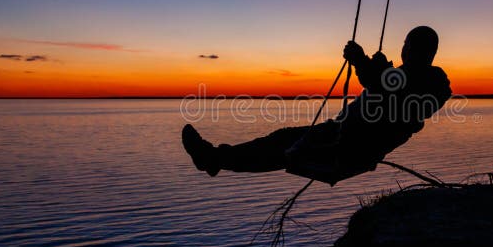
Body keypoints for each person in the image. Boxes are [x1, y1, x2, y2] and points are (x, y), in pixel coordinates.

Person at [182, 26, 452, 181]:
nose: (405, 50)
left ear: (424, 51)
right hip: (342, 135)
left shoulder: (434, 81)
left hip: (352, 146)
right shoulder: (404, 75)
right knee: (282, 140)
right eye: (406, 44)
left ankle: (212, 158)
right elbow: (383, 85)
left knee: (282, 149)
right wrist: (368, 66)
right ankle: (214, 158)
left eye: (409, 45)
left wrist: (365, 63)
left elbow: (398, 97)